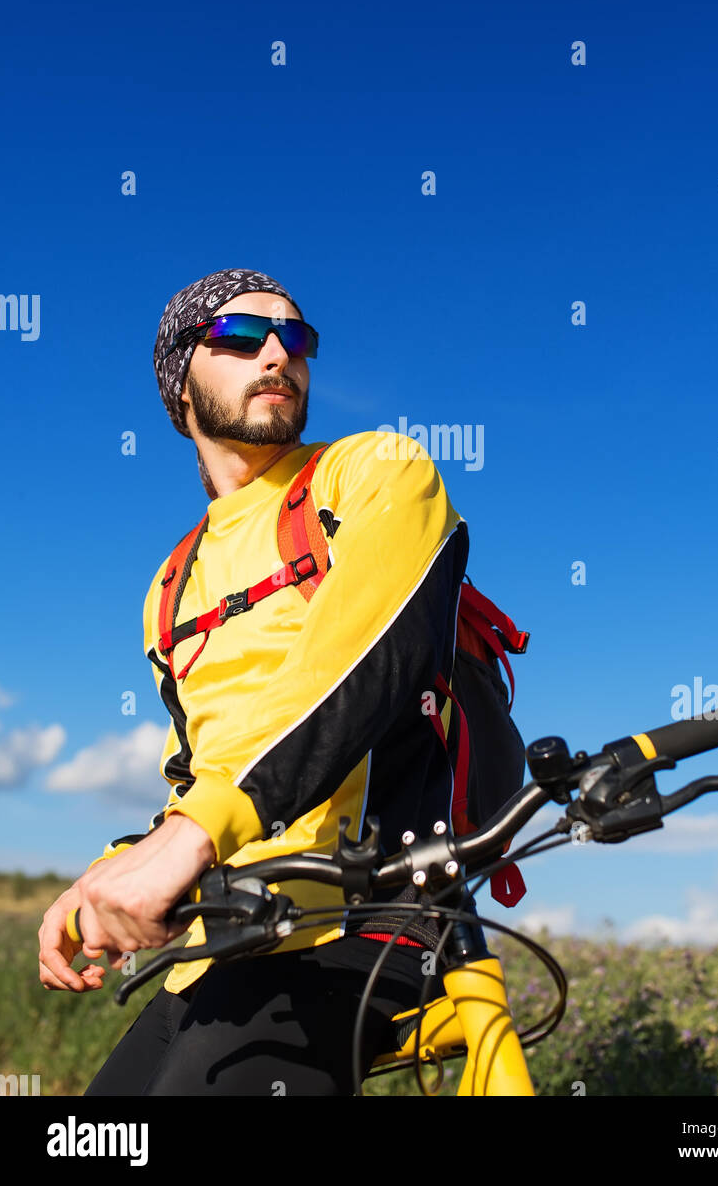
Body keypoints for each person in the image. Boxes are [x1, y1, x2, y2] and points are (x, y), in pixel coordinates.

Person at [37, 268, 470, 1095]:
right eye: (240, 336)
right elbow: (193, 776)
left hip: (361, 923)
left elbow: (369, 656)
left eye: (296, 338)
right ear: (180, 383)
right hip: (222, 940)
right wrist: (106, 876)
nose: (277, 352)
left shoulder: (372, 470)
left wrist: (191, 839)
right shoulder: (172, 583)